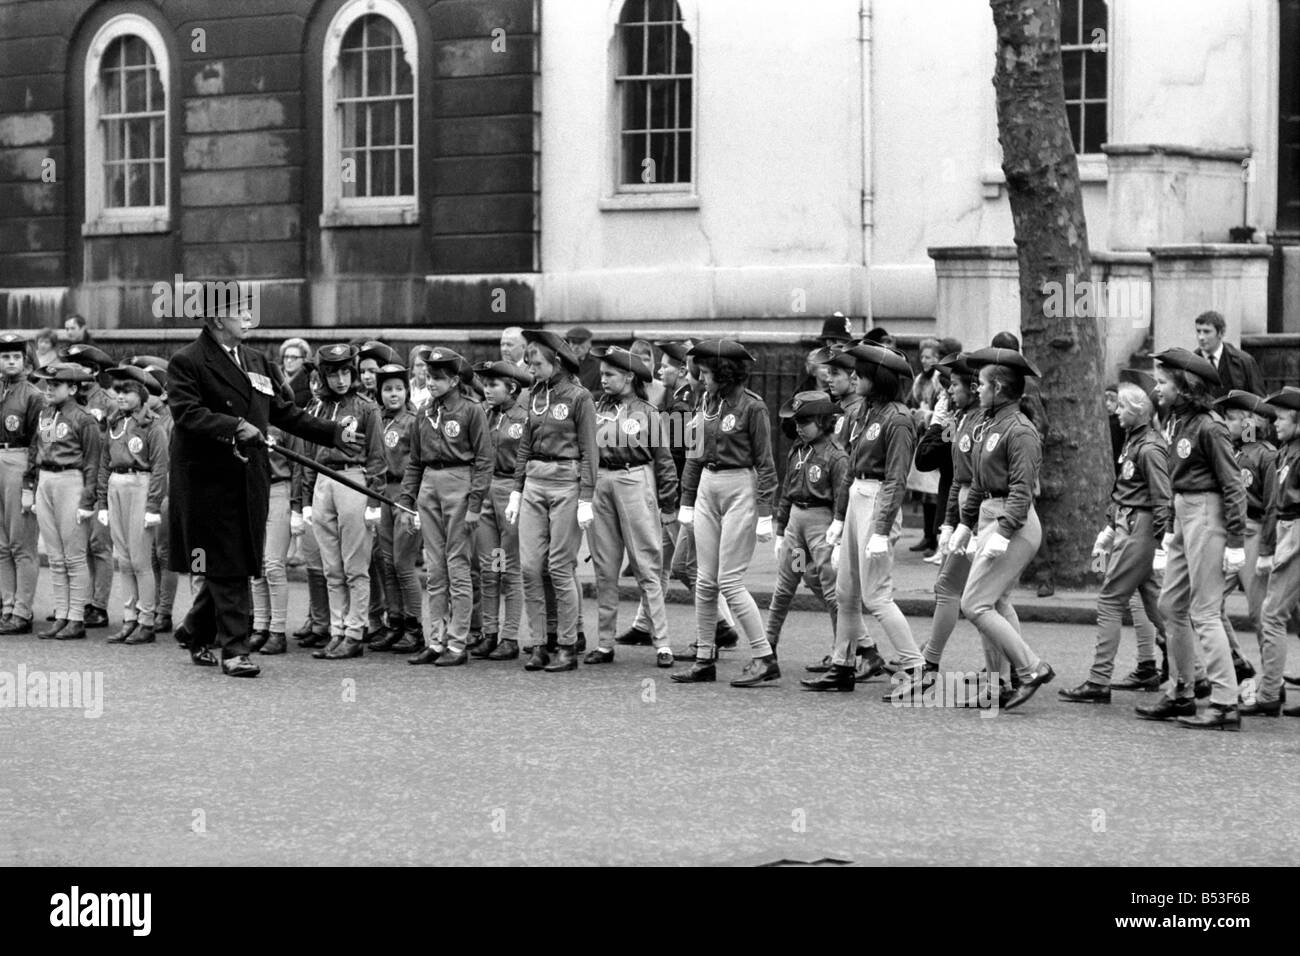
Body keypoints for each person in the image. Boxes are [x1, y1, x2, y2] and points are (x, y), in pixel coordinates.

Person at [168, 313, 358, 677]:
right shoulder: (187, 361)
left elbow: (284, 413)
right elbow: (187, 414)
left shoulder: (257, 361)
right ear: (216, 319)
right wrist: (235, 426)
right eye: (239, 313)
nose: (247, 319)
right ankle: (235, 650)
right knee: (229, 564)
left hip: (250, 476)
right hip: (209, 480)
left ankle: (195, 629)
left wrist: (333, 433)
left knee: (238, 559)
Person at [802, 344, 923, 697]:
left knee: (876, 595)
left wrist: (881, 530)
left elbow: (897, 478)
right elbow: (850, 468)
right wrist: (840, 519)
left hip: (879, 499)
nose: (854, 377)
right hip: (858, 495)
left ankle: (916, 667)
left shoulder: (898, 419)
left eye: (861, 373)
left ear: (878, 379)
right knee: (845, 592)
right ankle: (843, 666)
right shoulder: (865, 412)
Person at [1135, 348, 1246, 729]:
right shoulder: (1178, 421)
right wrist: (1169, 535)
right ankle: (1182, 690)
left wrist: (1235, 541)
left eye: (1164, 382)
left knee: (1204, 610)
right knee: (1170, 605)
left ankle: (1225, 703)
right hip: (1185, 512)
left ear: (1186, 387)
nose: (1157, 387)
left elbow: (1233, 486)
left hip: (1206, 512)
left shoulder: (1208, 426)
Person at [948, 347, 1056, 710]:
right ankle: (999, 686)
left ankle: (1031, 668)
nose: (976, 389)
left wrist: (1004, 532)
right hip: (992, 515)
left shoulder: (1021, 430)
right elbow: (979, 481)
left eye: (980, 383)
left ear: (997, 386)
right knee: (996, 601)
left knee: (974, 604)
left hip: (1015, 521)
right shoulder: (989, 423)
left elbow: (1023, 491)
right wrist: (964, 524)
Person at [672, 339, 780, 688]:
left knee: (729, 582)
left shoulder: (753, 407)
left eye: (704, 373)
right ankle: (705, 658)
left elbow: (765, 463)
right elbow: (693, 453)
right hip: (707, 485)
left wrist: (765, 512)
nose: (699, 379)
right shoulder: (707, 402)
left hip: (739, 487)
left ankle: (764, 657)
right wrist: (687, 502)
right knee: (705, 581)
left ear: (724, 373)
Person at [1059, 381, 1170, 703]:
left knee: (1109, 599)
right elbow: (1125, 489)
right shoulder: (1134, 441)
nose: (1116, 411)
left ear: (1136, 412)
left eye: (1121, 407)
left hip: (1139, 527)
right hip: (1130, 524)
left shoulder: (1148, 447)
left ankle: (1098, 680)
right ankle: (1197, 673)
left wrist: (1161, 542)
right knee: (1156, 604)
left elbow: (1162, 498)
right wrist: (1109, 527)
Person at [914, 353, 1010, 689]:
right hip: (965, 514)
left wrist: (959, 524)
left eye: (953, 385)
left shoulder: (977, 421)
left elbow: (970, 477)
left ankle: (930, 666)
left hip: (981, 513)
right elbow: (928, 459)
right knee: (988, 599)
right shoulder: (961, 418)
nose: (948, 391)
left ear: (974, 387)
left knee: (957, 591)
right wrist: (948, 524)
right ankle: (1006, 674)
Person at [503, 330, 597, 673]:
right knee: (530, 567)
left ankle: (568, 645)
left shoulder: (579, 397)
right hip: (534, 483)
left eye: (538, 363)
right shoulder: (533, 395)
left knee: (560, 567)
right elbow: (525, 445)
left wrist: (587, 496)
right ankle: (540, 642)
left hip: (566, 483)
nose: (532, 369)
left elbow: (589, 449)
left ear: (556, 361)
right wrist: (517, 489)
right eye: (529, 363)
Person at [398, 348, 491, 667]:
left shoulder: (471, 410)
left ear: (454, 380)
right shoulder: (423, 411)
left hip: (459, 482)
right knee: (434, 568)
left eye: (438, 377)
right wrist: (407, 501)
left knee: (458, 566)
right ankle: (435, 640)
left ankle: (457, 642)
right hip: (429, 484)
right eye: (428, 375)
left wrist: (475, 504)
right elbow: (414, 461)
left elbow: (484, 459)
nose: (431, 381)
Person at [585, 346, 678, 667]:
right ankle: (605, 644)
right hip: (602, 483)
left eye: (610, 375)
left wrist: (669, 504)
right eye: (602, 375)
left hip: (635, 479)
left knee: (647, 564)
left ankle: (662, 643)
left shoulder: (647, 411)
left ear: (629, 376)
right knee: (605, 568)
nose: (604, 380)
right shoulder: (596, 409)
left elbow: (663, 460)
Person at [301, 344, 385, 661]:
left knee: (355, 565)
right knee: (331, 567)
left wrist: (375, 502)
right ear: (324, 376)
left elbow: (377, 457)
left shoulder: (366, 408)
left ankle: (355, 632)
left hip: (353, 478)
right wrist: (308, 499)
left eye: (346, 372)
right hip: (324, 480)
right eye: (333, 373)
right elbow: (307, 456)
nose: (341, 379)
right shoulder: (318, 409)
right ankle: (337, 630)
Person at [765, 391, 845, 655]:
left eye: (805, 421)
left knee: (830, 589)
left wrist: (838, 537)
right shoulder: (797, 451)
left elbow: (840, 500)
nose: (798, 427)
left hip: (820, 526)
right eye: (797, 421)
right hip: (796, 529)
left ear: (823, 421)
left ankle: (843, 652)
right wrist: (780, 531)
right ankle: (768, 649)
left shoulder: (836, 456)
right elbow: (787, 490)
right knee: (786, 585)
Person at [96, 365, 167, 645]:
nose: (120, 396)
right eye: (118, 391)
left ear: (142, 393)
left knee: (140, 560)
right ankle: (129, 618)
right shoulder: (114, 422)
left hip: (141, 484)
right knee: (123, 560)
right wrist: (102, 501)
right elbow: (104, 462)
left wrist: (153, 506)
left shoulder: (153, 426)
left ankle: (146, 620)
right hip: (117, 483)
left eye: (127, 391)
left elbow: (160, 469)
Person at [30, 363, 101, 641]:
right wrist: (34, 488)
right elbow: (39, 449)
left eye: (55, 384)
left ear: (72, 388)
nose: (49, 388)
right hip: (46, 479)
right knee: (56, 557)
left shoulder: (84, 418)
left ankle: (76, 617)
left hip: (71, 480)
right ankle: (61, 614)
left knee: (73, 555)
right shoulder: (45, 413)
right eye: (47, 384)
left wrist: (88, 499)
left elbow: (93, 461)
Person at [1213, 390, 1277, 683]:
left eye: (1231, 419)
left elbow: (1272, 505)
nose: (1226, 425)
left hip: (1253, 532)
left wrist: (1266, 548)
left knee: (1258, 612)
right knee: (1210, 602)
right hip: (1231, 533)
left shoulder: (1265, 454)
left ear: (1248, 421)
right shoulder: (1233, 451)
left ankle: (1271, 682)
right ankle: (1237, 660)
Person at [472, 360, 533, 661]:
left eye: (494, 384)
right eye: (485, 384)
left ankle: (510, 637)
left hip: (511, 491)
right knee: (489, 567)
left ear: (511, 387)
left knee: (510, 567)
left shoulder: (524, 417)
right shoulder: (483, 414)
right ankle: (489, 633)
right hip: (485, 490)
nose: (487, 389)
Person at [365, 364, 423, 654]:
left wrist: (412, 501)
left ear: (407, 390)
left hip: (405, 493)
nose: (393, 394)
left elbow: (418, 462)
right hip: (381, 491)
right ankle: (395, 622)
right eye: (387, 389)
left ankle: (415, 627)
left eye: (398, 388)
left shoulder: (413, 421)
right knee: (386, 562)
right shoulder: (376, 420)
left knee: (403, 563)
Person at [61, 343, 117, 629]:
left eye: (78, 366)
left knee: (98, 543)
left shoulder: (108, 401)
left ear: (93, 370)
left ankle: (99, 605)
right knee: (76, 543)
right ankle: (78, 603)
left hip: (98, 478)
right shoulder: (69, 401)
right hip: (73, 477)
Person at [249, 378, 305, 657]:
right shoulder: (248, 422)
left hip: (279, 490)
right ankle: (260, 625)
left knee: (272, 564)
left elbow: (297, 468)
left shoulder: (286, 427)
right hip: (254, 493)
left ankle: (278, 630)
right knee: (255, 565)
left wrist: (296, 507)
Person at [1254, 387, 1300, 717]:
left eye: (1282, 418)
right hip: (1285, 528)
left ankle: (1269, 693)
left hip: (1295, 530)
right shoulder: (1285, 451)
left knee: (1271, 614)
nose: (1276, 424)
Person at [0, 333, 43, 635]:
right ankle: (6, 604)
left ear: (25, 361)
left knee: (21, 542)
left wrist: (30, 482)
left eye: (16, 357)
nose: (11, 361)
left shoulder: (33, 395)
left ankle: (23, 610)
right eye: (5, 357)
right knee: (1, 545)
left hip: (19, 461)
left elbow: (38, 443)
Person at [131, 356, 176, 633]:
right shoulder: (143, 421)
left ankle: (165, 609)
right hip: (145, 488)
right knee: (147, 553)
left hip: (168, 488)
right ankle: (150, 604)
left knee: (164, 552)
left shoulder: (170, 421)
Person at [1193, 310, 1264, 398]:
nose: (1201, 337)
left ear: (1221, 333)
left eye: (1207, 332)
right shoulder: (1190, 363)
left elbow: (1258, 399)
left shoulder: (1244, 361)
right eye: (1198, 331)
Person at [565, 326, 603, 395]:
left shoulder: (598, 365)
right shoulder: (562, 364)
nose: (576, 348)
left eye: (580, 344)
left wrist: (583, 397)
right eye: (573, 343)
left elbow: (604, 391)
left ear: (589, 344)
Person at [280, 338, 312, 407]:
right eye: (286, 357)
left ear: (304, 359)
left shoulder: (309, 382)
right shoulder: (274, 376)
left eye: (294, 357)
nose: (288, 361)